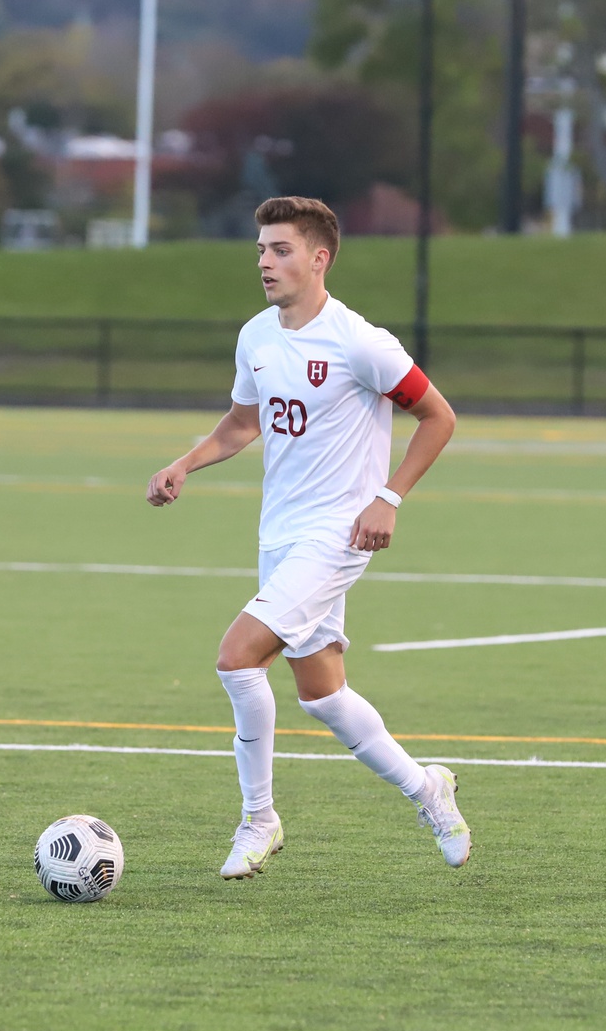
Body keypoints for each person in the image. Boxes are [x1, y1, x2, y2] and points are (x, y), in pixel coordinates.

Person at [146, 195, 469, 879]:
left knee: (237, 659)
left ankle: (259, 816)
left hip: (339, 532)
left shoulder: (361, 342)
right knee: (322, 693)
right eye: (261, 248)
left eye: (280, 249)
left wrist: (388, 497)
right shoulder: (257, 337)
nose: (265, 261)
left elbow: (439, 417)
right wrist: (185, 462)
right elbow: (241, 423)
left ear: (319, 258)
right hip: (280, 535)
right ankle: (427, 787)